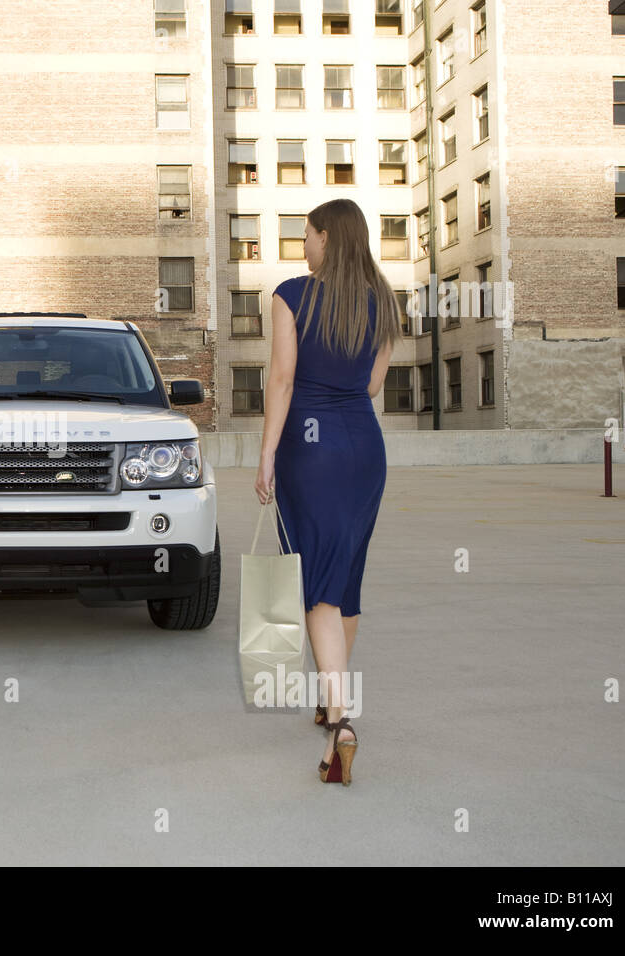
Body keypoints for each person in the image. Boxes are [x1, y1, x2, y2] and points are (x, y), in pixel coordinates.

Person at [254, 198, 402, 786]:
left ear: (327, 238)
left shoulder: (291, 295)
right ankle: (328, 697)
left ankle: (340, 723)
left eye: (308, 234)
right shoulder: (384, 301)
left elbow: (282, 380)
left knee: (317, 587)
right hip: (364, 449)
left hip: (310, 449)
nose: (303, 245)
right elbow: (372, 386)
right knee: (346, 578)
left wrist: (266, 454)